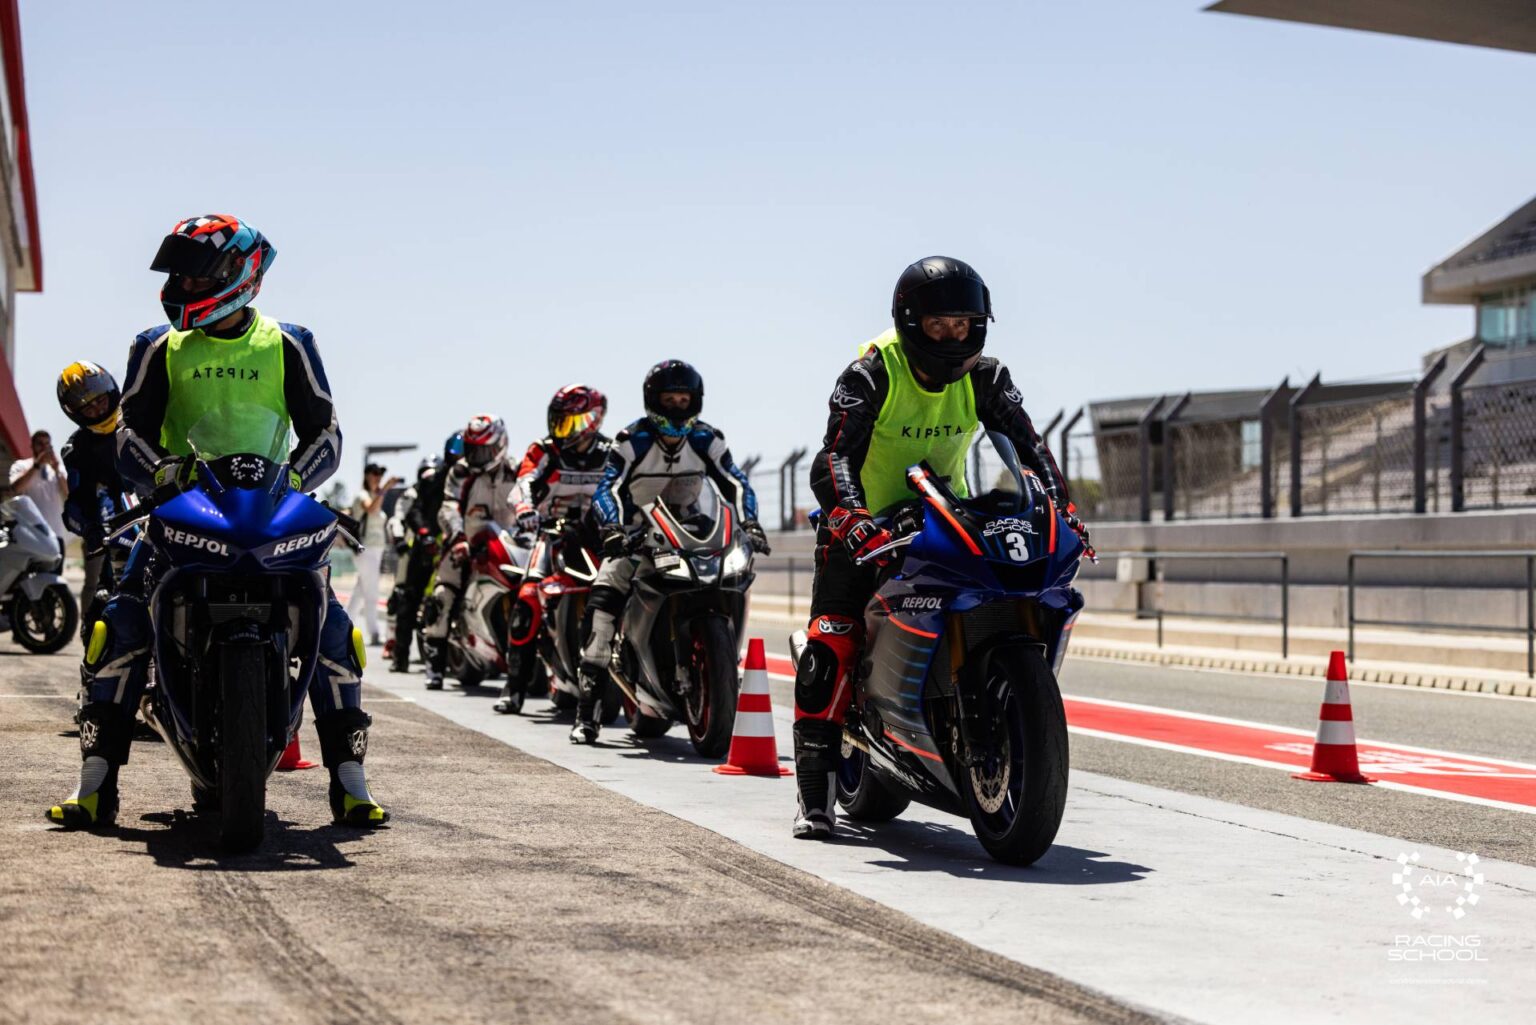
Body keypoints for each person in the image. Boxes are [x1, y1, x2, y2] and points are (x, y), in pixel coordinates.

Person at [46, 213, 387, 830]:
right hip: (182, 510)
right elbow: (129, 435)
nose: (180, 282)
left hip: (272, 506)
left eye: (192, 271)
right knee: (119, 625)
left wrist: (298, 479)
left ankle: (352, 783)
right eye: (177, 271)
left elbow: (326, 433)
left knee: (335, 630)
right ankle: (94, 786)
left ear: (239, 271)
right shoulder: (157, 344)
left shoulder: (290, 342)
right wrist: (162, 471)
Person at [789, 256, 1091, 840]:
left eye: (964, 324)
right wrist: (851, 519)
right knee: (832, 638)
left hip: (939, 511)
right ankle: (813, 794)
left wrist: (1063, 507)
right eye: (939, 326)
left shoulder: (987, 376)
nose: (954, 337)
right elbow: (834, 459)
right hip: (861, 522)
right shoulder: (871, 374)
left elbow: (1031, 448)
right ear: (910, 323)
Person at [576, 360, 769, 744]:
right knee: (603, 606)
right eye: (670, 399)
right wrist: (613, 528)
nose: (678, 406)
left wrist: (750, 523)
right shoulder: (631, 440)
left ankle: (717, 671)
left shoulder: (706, 439)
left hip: (689, 530)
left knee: (734, 574)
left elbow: (735, 481)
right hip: (634, 534)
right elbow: (607, 488)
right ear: (653, 401)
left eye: (685, 398)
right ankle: (588, 713)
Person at [492, 384, 612, 714]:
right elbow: (524, 482)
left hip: (599, 537)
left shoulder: (611, 451)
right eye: (558, 421)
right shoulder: (545, 449)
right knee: (528, 599)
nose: (561, 429)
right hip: (550, 534)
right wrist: (525, 509)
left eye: (569, 422)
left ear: (592, 420)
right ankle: (514, 688)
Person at [422, 415, 515, 690]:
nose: (476, 456)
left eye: (483, 450)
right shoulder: (461, 472)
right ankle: (435, 666)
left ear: (499, 446)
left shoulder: (516, 470)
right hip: (468, 543)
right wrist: (458, 537)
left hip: (510, 544)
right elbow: (448, 506)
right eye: (472, 449)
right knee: (443, 595)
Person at [56, 362, 132, 640]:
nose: (99, 409)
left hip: (162, 521)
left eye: (100, 400)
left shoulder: (144, 423)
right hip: (116, 538)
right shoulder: (77, 450)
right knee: (100, 602)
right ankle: (93, 673)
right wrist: (91, 529)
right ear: (76, 414)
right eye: (89, 408)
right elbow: (73, 508)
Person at [387, 433, 462, 673]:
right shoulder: (431, 483)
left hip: (460, 547)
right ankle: (401, 656)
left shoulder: (471, 479)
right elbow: (412, 512)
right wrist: (424, 534)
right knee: (408, 599)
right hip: (427, 548)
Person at [348, 462, 400, 646]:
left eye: (381, 474)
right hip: (366, 549)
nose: (378, 477)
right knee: (371, 593)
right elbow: (370, 508)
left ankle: (344, 624)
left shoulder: (375, 495)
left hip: (376, 550)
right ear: (367, 475)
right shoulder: (362, 496)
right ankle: (375, 633)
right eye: (375, 473)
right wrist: (385, 488)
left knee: (360, 591)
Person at [8, 430, 69, 547]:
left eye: (47, 444)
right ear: (32, 446)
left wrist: (56, 470)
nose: (44, 448)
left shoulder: (59, 469)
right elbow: (15, 489)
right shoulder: (21, 466)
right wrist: (36, 466)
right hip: (31, 534)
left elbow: (69, 493)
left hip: (56, 535)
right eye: (40, 444)